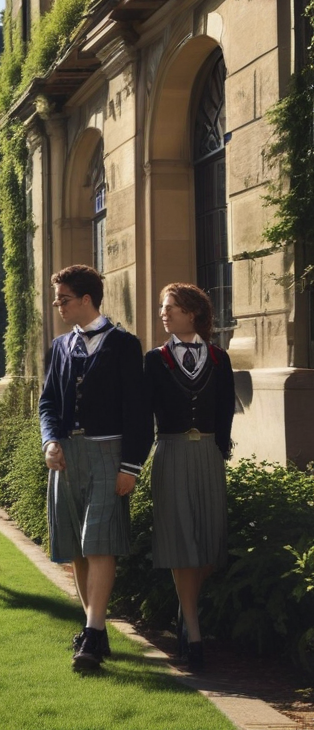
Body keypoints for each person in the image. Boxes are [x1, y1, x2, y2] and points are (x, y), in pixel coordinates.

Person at [39, 265, 154, 670]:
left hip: (110, 454)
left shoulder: (124, 344)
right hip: (66, 456)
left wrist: (131, 466)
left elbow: (138, 411)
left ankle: (90, 634)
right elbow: (48, 402)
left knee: (100, 540)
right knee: (75, 544)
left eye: (63, 298)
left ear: (86, 299)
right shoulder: (58, 346)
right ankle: (97, 629)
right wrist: (50, 440)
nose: (58, 305)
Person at [143, 282, 235, 670]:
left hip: (209, 454)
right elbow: (140, 411)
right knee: (181, 538)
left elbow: (227, 410)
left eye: (171, 307)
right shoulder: (154, 359)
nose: (164, 313)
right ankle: (193, 632)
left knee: (208, 543)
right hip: (172, 451)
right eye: (163, 308)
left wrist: (220, 451)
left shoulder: (219, 358)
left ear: (193, 313)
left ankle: (186, 612)